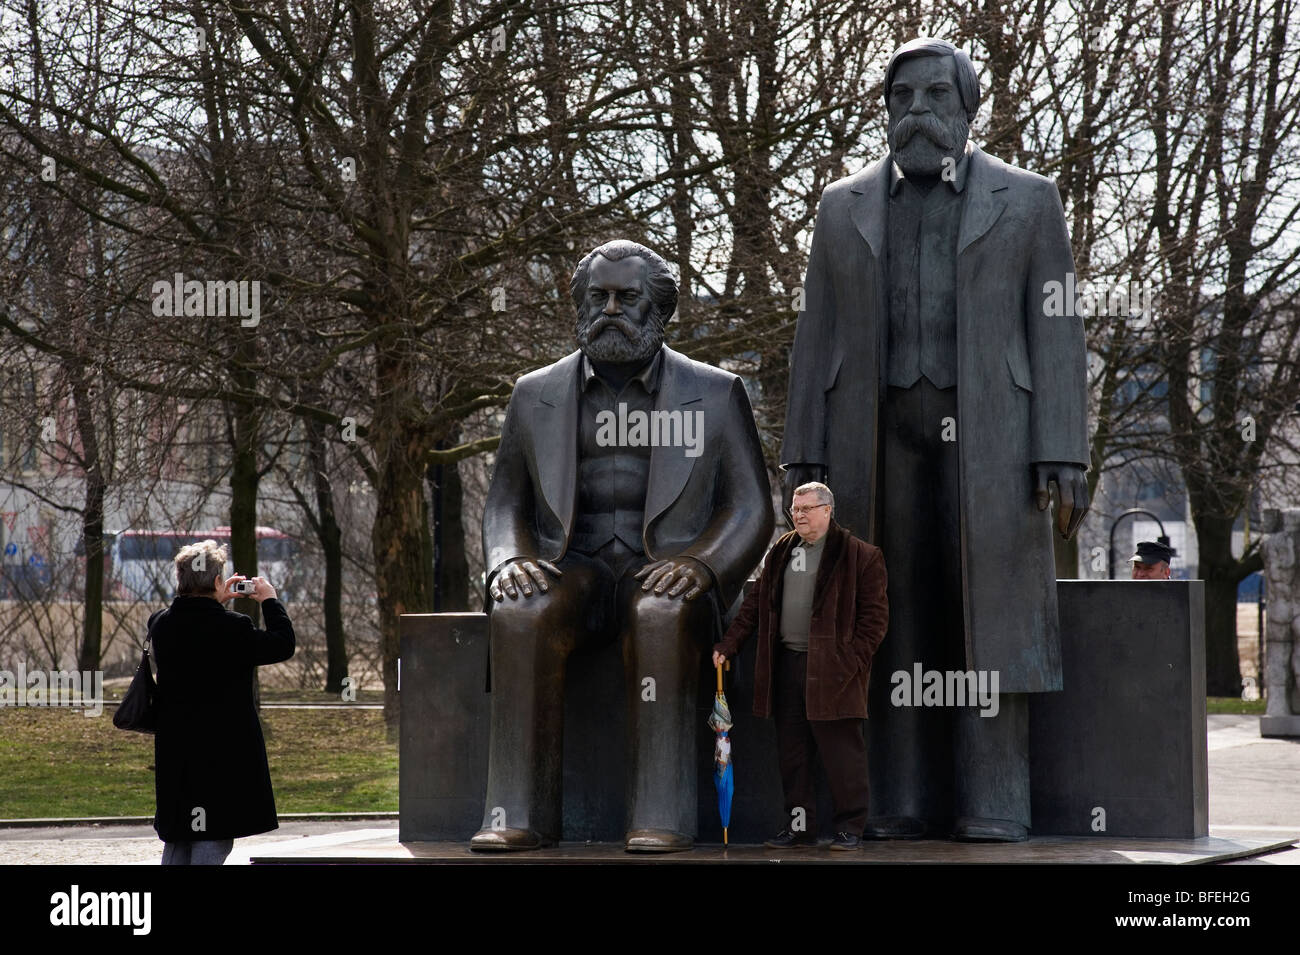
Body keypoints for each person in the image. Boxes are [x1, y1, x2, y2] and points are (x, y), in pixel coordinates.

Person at [781, 37, 1091, 841]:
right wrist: (802, 450)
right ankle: (899, 797)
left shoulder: (1029, 200)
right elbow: (815, 334)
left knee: (985, 611)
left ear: (967, 109)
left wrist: (1062, 443)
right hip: (873, 438)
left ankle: (994, 798)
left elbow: (1056, 325)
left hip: (993, 436)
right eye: (902, 98)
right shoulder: (841, 205)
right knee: (887, 612)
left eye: (935, 97)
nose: (917, 113)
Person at [469, 239, 773, 853]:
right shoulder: (534, 393)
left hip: (662, 566)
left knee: (660, 611)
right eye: (598, 297)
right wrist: (508, 559)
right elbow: (505, 500)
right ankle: (517, 815)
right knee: (521, 611)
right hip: (571, 564)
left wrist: (703, 564)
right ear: (579, 303)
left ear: (658, 308)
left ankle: (660, 815)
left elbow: (750, 506)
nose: (610, 309)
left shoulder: (715, 392)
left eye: (626, 298)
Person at [712, 482, 888, 850]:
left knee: (843, 755)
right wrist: (729, 645)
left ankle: (850, 829)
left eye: (807, 508)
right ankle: (800, 827)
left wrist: (850, 662)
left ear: (827, 510)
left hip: (835, 672)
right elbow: (754, 604)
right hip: (787, 666)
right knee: (793, 755)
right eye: (795, 508)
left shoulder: (860, 555)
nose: (799, 514)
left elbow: (874, 621)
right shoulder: (781, 550)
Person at [150, 539, 295, 865]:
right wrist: (269, 600)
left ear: (180, 580)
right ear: (218, 581)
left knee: (179, 835)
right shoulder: (234, 629)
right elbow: (283, 644)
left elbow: (180, 616)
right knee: (212, 837)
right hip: (221, 752)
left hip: (176, 751)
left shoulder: (161, 625)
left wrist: (213, 599)